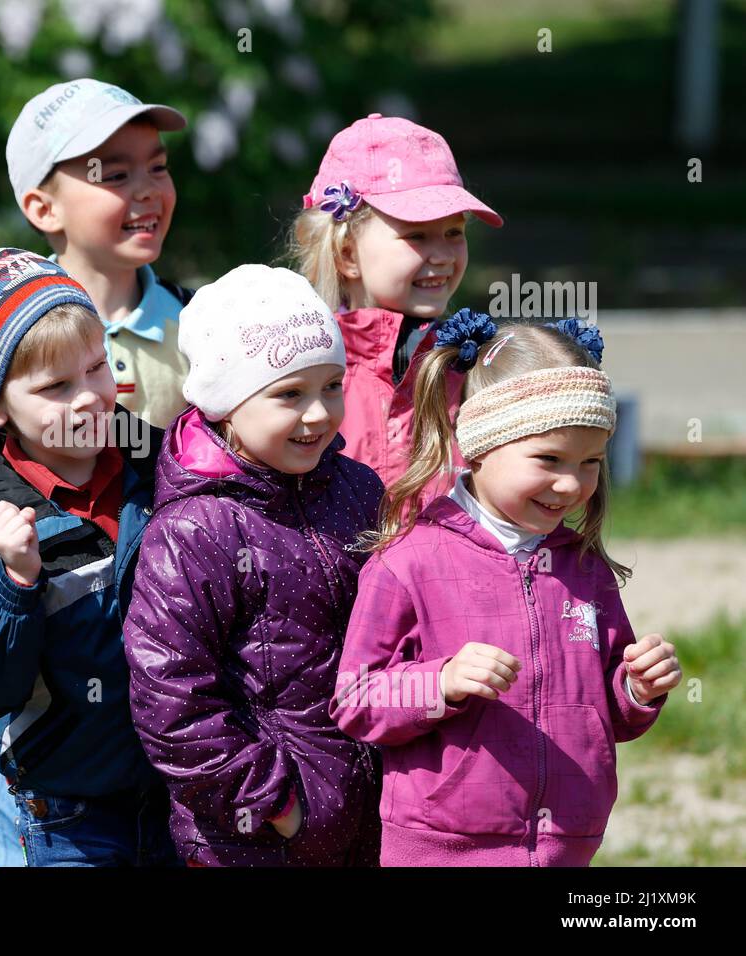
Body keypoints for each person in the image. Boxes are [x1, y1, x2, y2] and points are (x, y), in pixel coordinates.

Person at [332, 312, 681, 865]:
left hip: (568, 843)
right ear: (479, 446)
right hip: (443, 848)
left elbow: (608, 711)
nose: (572, 484)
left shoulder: (584, 569)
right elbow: (355, 700)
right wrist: (439, 682)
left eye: (591, 462)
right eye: (548, 459)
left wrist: (637, 689)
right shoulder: (409, 561)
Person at [123, 264, 384, 866]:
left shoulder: (359, 490)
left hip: (366, 820)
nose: (318, 414)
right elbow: (173, 701)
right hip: (249, 842)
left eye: (332, 386)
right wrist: (278, 806)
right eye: (289, 394)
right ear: (224, 404)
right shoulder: (194, 531)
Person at [0, 247, 177, 867]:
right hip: (69, 809)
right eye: (55, 387)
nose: (89, 398)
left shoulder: (162, 464)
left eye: (98, 369)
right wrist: (15, 586)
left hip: (177, 782)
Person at [289, 113, 503, 502]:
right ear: (347, 252)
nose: (442, 255)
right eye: (417, 235)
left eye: (454, 232)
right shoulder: (300, 372)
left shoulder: (475, 369)